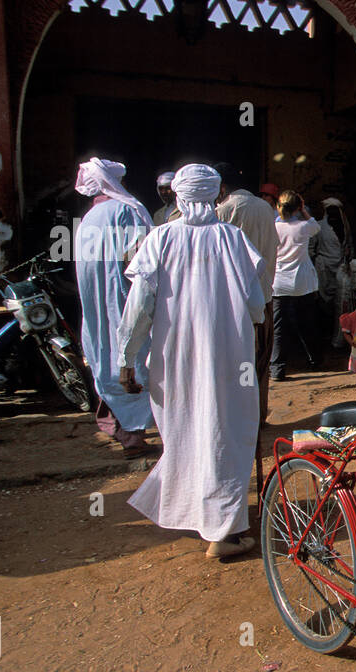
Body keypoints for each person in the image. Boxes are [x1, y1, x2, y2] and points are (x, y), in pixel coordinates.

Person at [116, 164, 267, 559]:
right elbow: (255, 306)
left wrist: (126, 358)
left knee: (187, 430)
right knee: (224, 431)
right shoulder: (233, 240)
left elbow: (138, 309)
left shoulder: (159, 239)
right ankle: (223, 530)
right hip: (230, 354)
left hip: (175, 356)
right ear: (217, 196)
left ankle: (211, 521)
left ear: (177, 196)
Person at [73, 157, 155, 457]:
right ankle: (133, 433)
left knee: (103, 353)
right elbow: (140, 258)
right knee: (132, 359)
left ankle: (112, 420)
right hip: (124, 300)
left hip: (96, 305)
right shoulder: (126, 210)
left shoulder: (89, 218)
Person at [215, 163, 279, 422]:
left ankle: (240, 418)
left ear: (221, 187)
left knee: (238, 363)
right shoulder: (265, 208)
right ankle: (257, 415)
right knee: (260, 361)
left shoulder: (223, 210)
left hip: (235, 301)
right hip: (263, 295)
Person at [272, 190, 322, 380]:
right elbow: (316, 226)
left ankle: (277, 368)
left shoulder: (273, 226)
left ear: (279, 206)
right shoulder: (304, 226)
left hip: (279, 282)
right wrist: (304, 211)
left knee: (279, 328)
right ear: (298, 207)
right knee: (307, 324)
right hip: (302, 283)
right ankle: (314, 360)